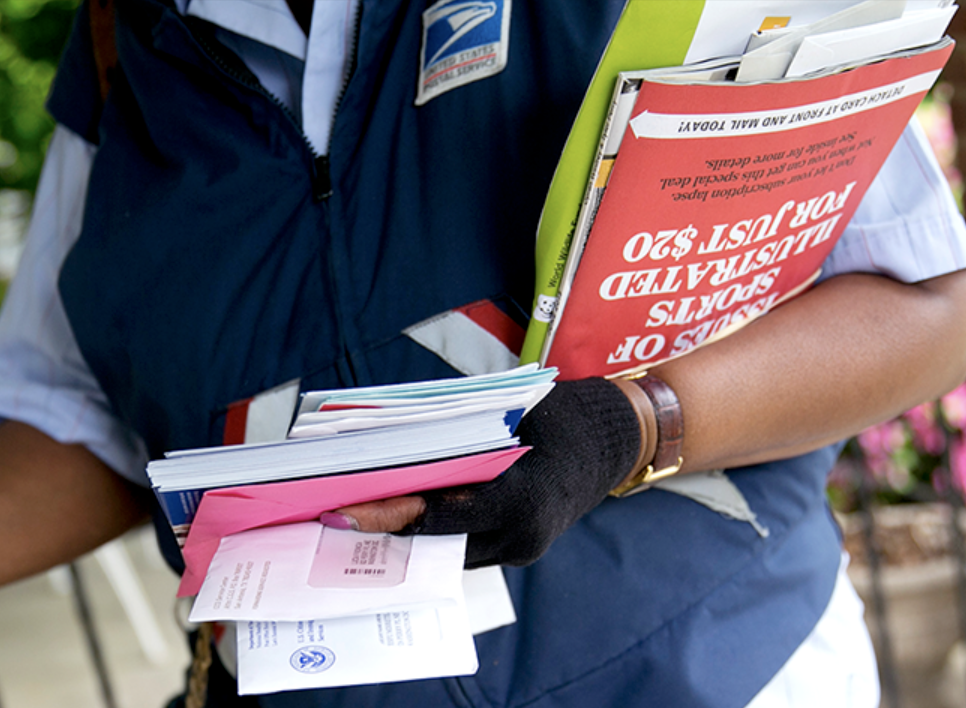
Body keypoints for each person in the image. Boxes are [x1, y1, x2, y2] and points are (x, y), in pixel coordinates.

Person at [2, 1, 966, 706]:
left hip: (710, 667)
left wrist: (628, 428)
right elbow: (79, 422)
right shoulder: (124, 59)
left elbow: (928, 303)